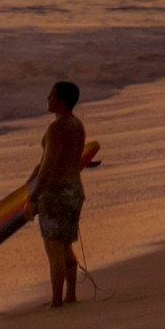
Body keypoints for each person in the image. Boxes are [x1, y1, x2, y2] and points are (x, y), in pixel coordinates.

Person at [33, 80, 100, 306]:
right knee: (65, 245)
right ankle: (70, 295)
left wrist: (33, 197)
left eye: (51, 95)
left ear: (60, 101)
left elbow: (48, 165)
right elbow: (72, 160)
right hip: (74, 191)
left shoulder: (57, 127)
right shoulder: (77, 124)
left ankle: (56, 301)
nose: (47, 99)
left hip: (56, 193)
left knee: (54, 249)